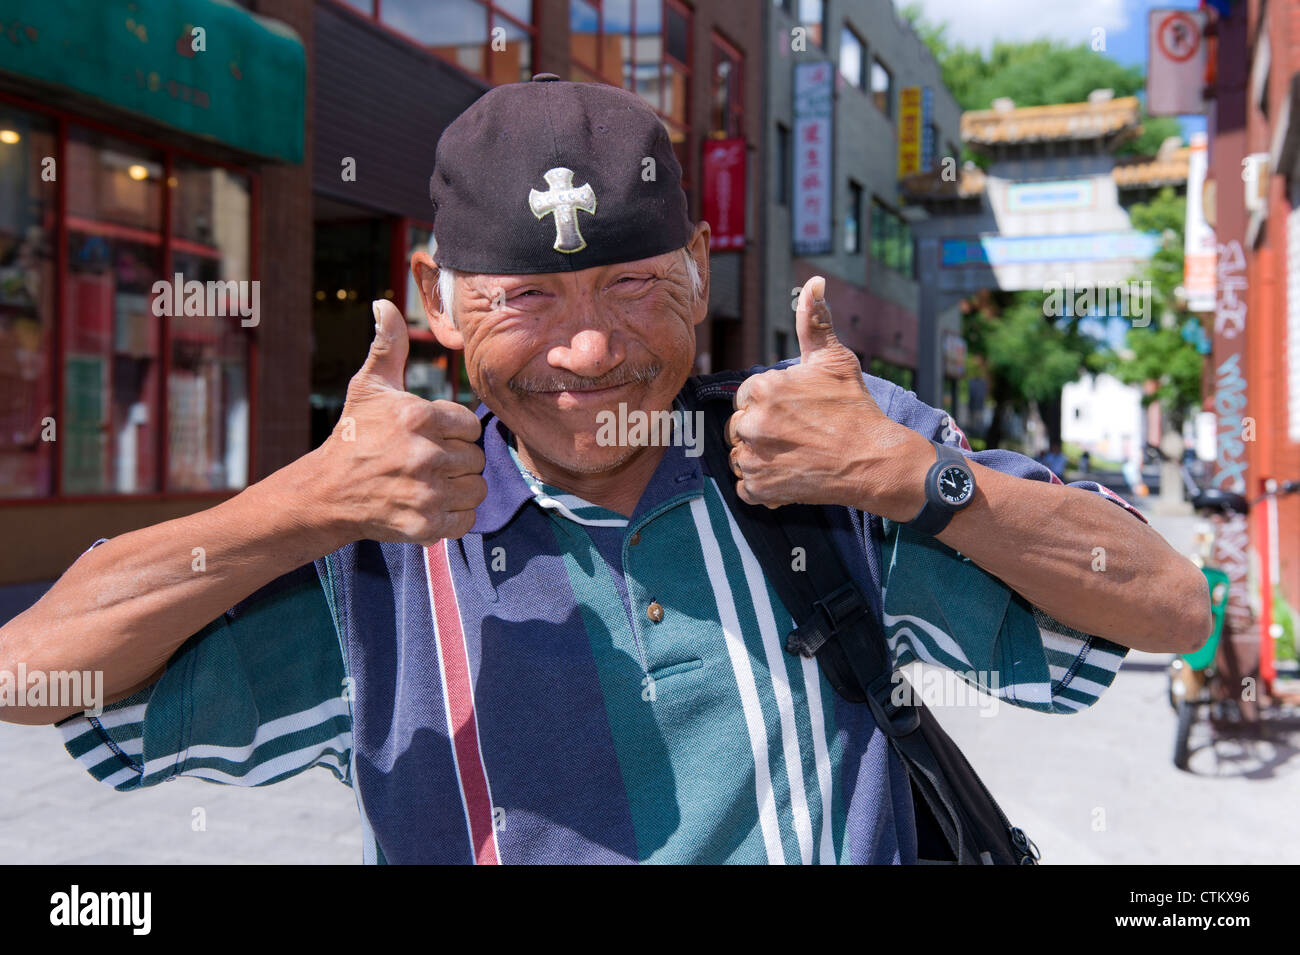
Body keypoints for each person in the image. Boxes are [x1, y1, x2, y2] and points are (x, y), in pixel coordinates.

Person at [0, 77, 1211, 864]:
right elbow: (29, 677)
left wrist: (915, 476)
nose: (589, 349)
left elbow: (1168, 604)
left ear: (698, 259)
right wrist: (300, 501)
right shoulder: (377, 545)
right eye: (526, 296)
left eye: (633, 283)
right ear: (435, 299)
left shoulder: (830, 454)